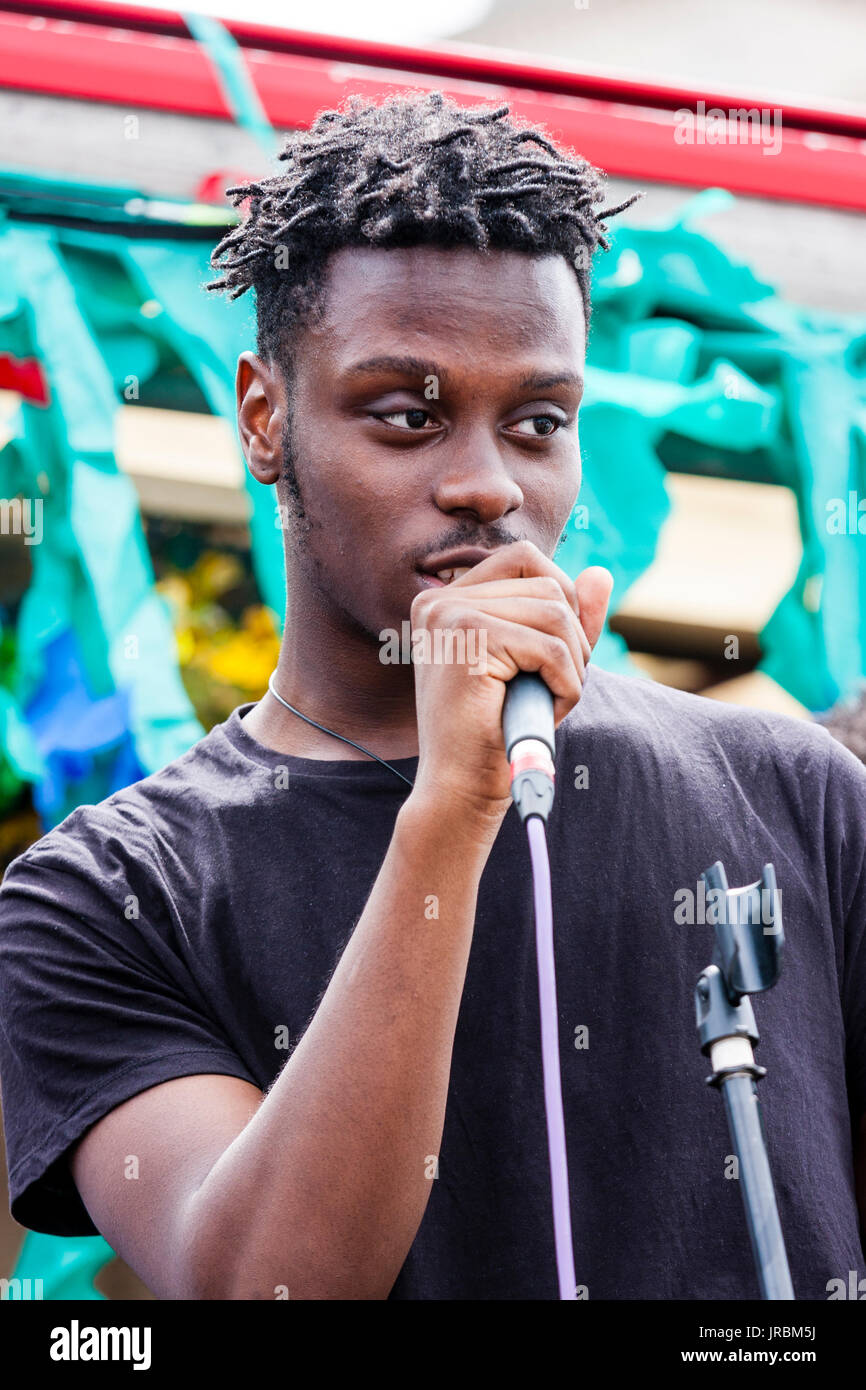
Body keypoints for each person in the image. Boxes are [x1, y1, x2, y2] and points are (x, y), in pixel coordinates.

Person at [1, 90, 865, 1301]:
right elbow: (268, 1287)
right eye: (407, 415)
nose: (482, 484)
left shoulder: (798, 795)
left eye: (537, 421)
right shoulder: (108, 896)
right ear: (265, 417)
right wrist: (448, 815)